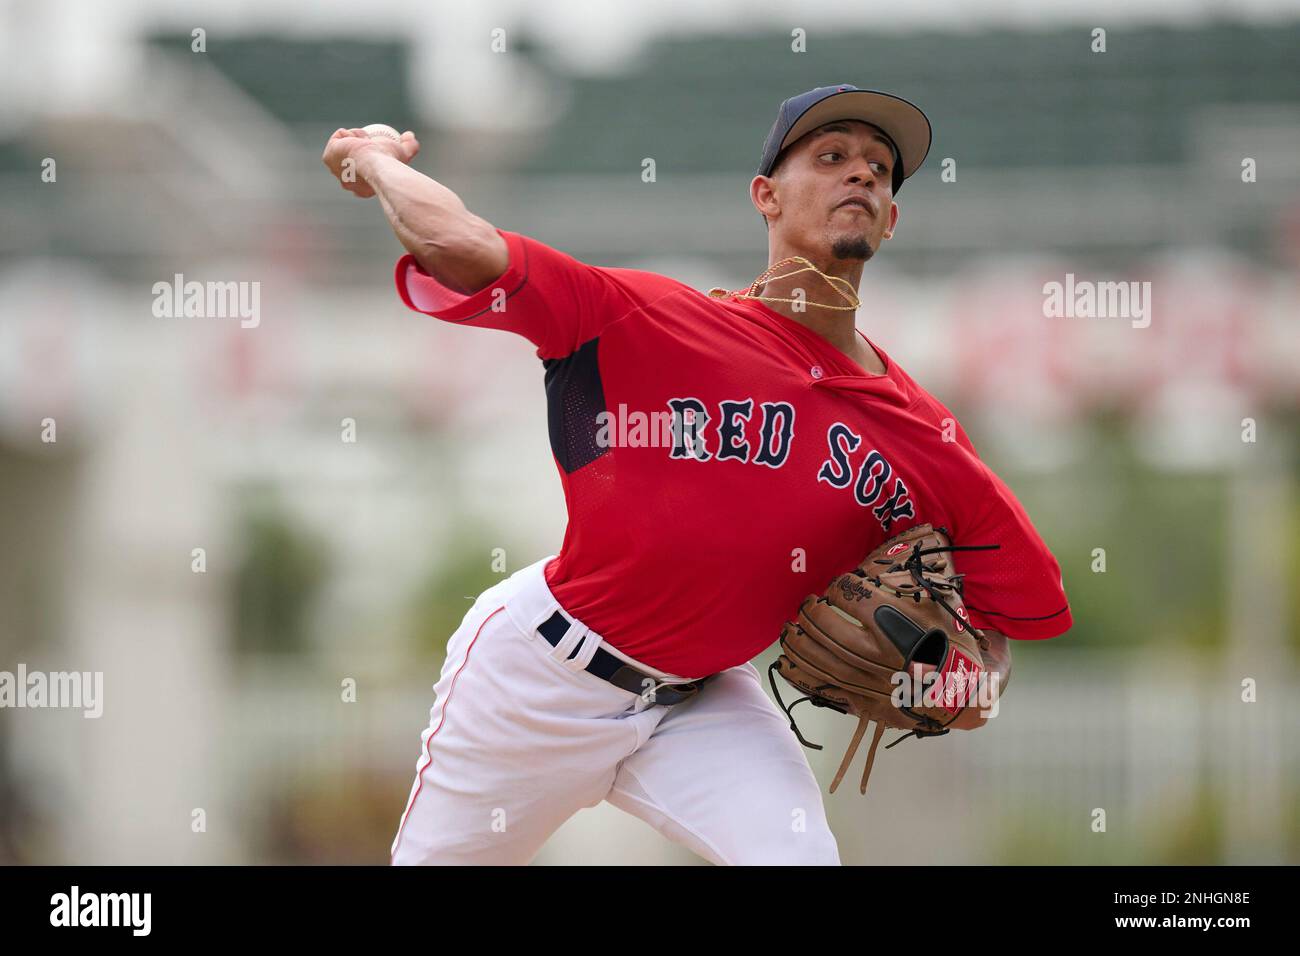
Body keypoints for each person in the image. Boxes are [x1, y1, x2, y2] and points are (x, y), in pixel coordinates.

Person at [322, 84, 1072, 865]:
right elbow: (462, 245)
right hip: (538, 677)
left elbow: (1003, 633)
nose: (862, 176)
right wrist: (374, 158)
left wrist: (954, 686)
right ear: (766, 197)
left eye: (880, 171)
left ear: (891, 217)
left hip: (704, 702)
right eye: (831, 157)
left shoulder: (929, 443)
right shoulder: (648, 321)